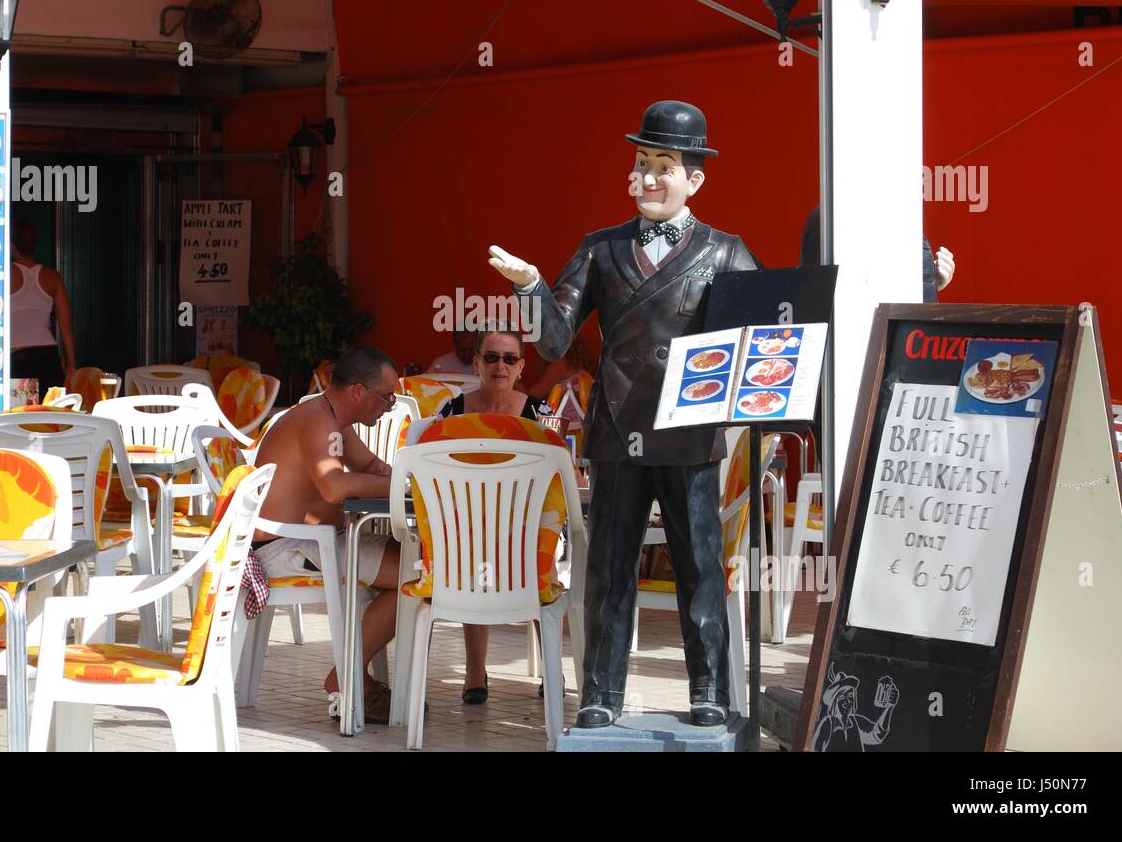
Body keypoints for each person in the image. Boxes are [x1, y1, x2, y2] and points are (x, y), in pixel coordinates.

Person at [489, 99, 759, 728]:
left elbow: (769, 336)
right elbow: (555, 342)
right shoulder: (599, 249)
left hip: (691, 433)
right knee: (609, 571)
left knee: (698, 568)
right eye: (642, 163)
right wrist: (530, 287)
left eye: (665, 165)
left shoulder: (726, 252)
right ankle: (600, 695)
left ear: (695, 179)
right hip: (616, 431)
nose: (649, 177)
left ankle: (709, 692)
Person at [252, 345, 403, 722]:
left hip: (310, 542)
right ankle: (347, 677)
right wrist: (399, 484)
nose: (390, 405)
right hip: (283, 547)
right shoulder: (317, 420)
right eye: (386, 397)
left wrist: (387, 471)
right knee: (417, 577)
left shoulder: (334, 419)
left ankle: (354, 673)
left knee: (415, 565)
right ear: (357, 391)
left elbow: (368, 464)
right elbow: (334, 488)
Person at [433, 323, 554, 704]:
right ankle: (474, 673)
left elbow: (562, 469)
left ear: (521, 367)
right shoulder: (451, 411)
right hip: (468, 527)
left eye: (509, 358)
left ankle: (552, 668)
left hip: (528, 525)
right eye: (491, 357)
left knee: (540, 559)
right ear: (476, 363)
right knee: (473, 562)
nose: (500, 366)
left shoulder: (541, 413)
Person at [799, 204, 956, 300]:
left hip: (889, 337)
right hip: (852, 337)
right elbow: (820, 290)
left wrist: (928, 278)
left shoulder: (894, 216)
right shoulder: (833, 212)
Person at [10, 220, 75, 395]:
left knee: (19, 417)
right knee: (49, 417)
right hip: (48, 356)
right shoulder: (53, 277)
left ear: (11, 246)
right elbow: (65, 325)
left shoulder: (5, 275)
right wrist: (71, 365)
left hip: (16, 358)